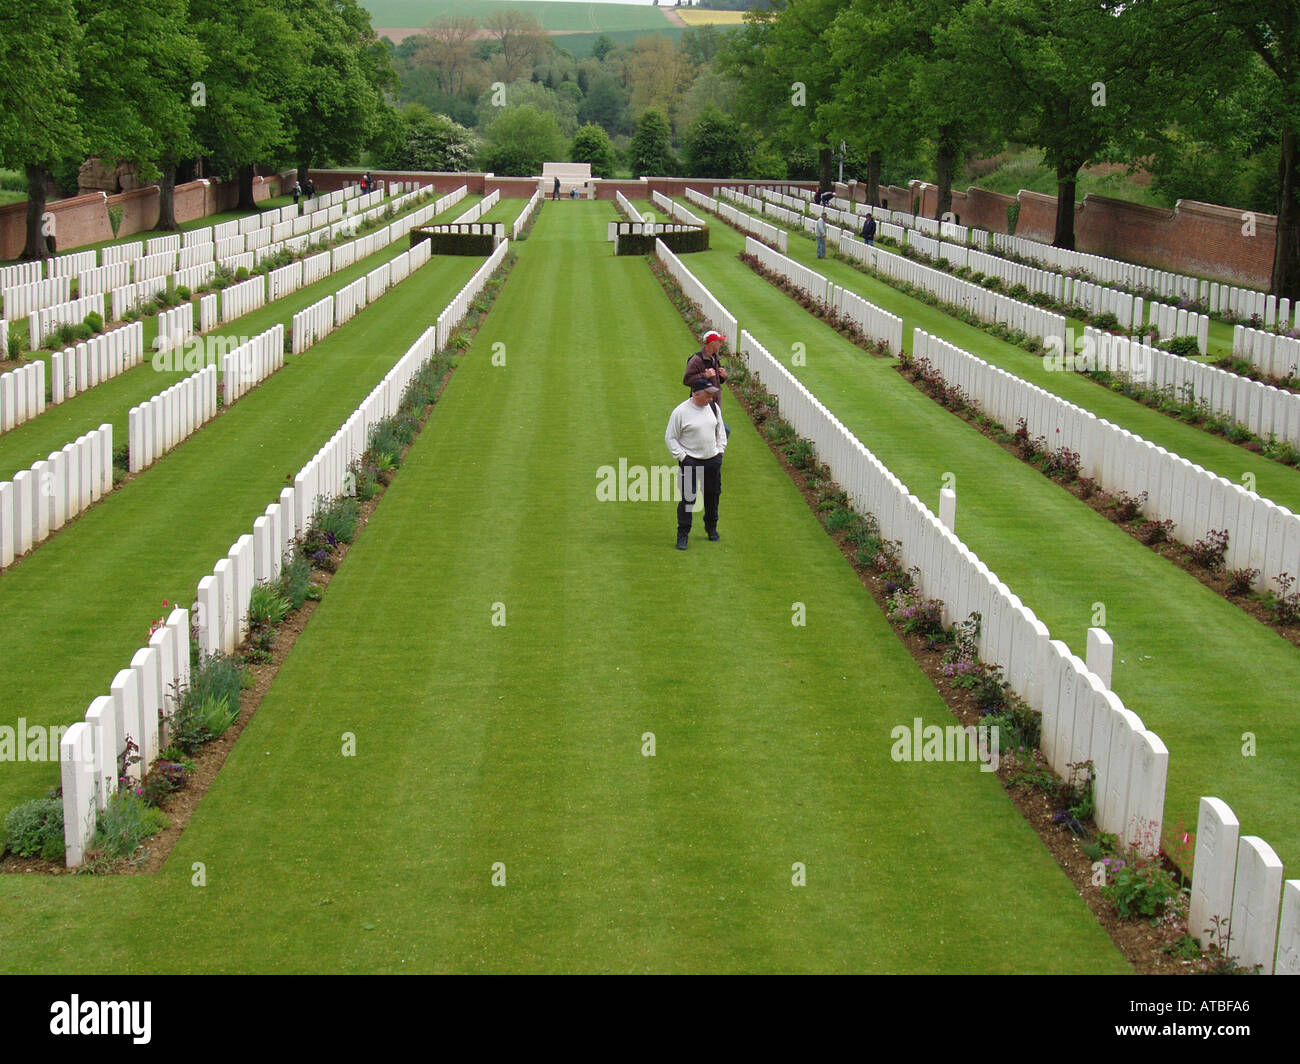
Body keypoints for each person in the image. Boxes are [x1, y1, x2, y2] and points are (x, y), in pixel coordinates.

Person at [665, 379, 727, 549]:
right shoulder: (681, 412)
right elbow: (670, 438)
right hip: (690, 462)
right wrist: (683, 458)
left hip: (712, 460)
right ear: (696, 393)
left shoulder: (714, 408)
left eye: (711, 395)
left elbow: (720, 431)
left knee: (712, 496)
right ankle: (683, 535)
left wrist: (719, 451)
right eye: (707, 395)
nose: (710, 398)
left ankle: (711, 528)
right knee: (688, 499)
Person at [683, 329, 729, 426]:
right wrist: (705, 375)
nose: (721, 344)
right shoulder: (696, 360)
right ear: (712, 343)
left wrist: (724, 377)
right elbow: (687, 380)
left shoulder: (715, 358)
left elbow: (716, 380)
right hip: (701, 402)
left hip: (714, 402)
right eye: (719, 342)